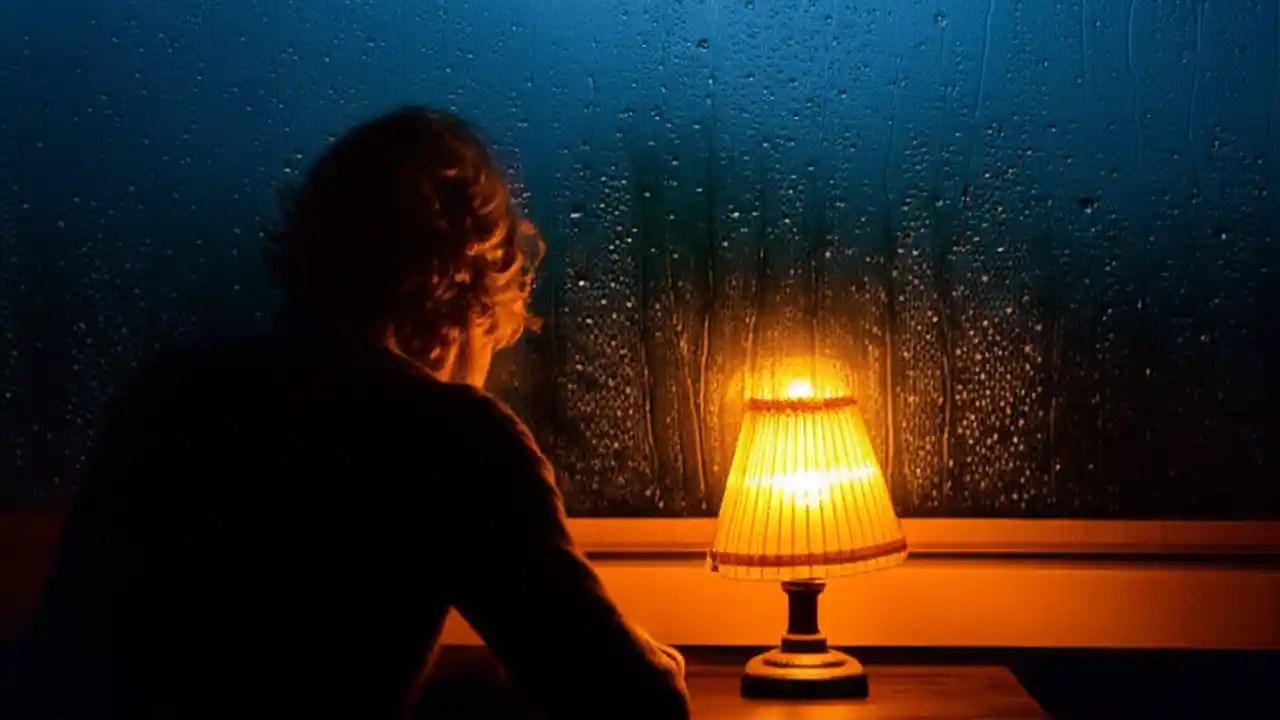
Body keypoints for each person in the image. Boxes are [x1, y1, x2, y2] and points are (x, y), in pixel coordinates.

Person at [2, 107, 690, 718]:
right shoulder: (452, 438)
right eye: (496, 336)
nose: (489, 369)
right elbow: (632, 704)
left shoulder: (171, 390)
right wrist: (656, 660)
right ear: (465, 290)